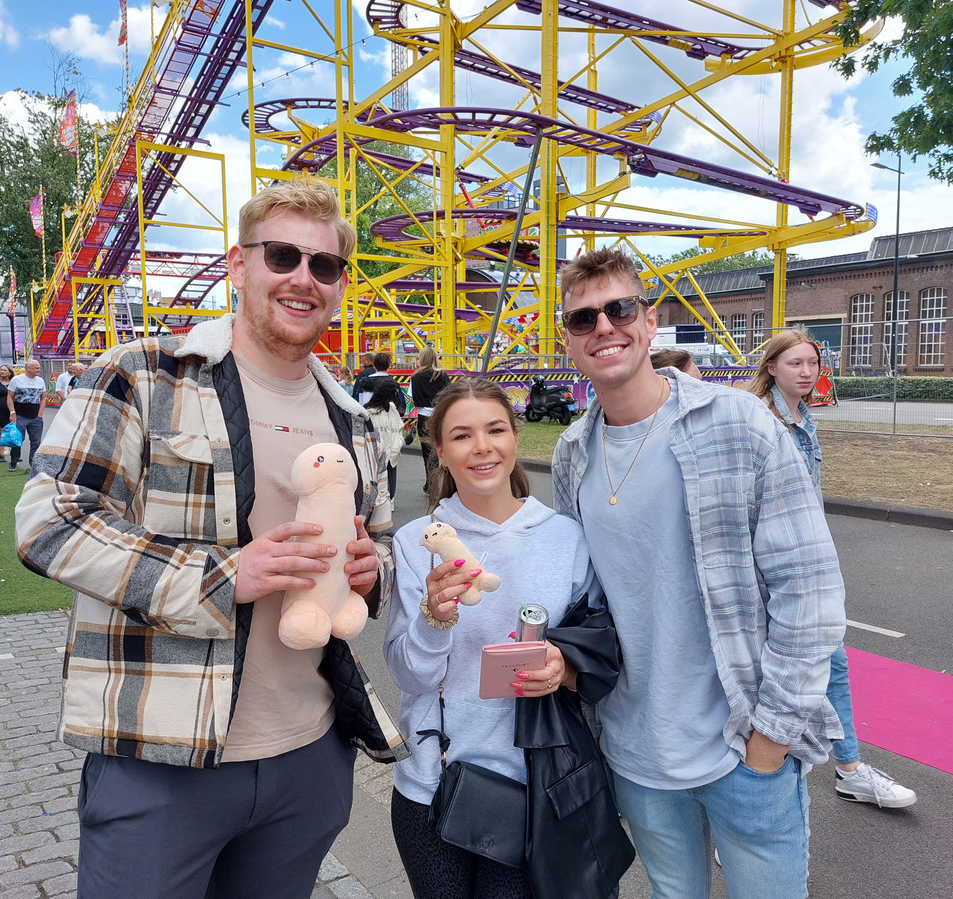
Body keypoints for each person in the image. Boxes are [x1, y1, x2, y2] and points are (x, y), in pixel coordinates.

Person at [15, 179, 405, 898]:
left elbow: (381, 540)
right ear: (237, 264)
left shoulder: (350, 415)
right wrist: (224, 575)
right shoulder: (142, 375)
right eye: (283, 255)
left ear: (340, 285)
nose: (303, 278)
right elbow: (49, 520)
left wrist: (366, 568)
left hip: (308, 755)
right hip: (163, 759)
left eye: (324, 266)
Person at [551, 247, 845, 898]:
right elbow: (578, 594)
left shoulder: (738, 424)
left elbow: (811, 590)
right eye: (582, 318)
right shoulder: (573, 452)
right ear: (568, 340)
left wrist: (770, 740)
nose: (603, 326)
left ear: (649, 322)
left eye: (619, 308)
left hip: (742, 746)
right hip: (637, 751)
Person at [385, 377, 632, 899]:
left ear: (515, 438)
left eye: (495, 429)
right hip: (434, 782)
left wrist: (562, 666)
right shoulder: (416, 543)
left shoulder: (566, 538)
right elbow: (410, 675)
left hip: (536, 785)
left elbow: (598, 646)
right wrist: (435, 618)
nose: (482, 447)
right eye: (461, 436)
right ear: (439, 453)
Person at [747, 330, 917, 809]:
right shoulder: (760, 419)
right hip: (769, 570)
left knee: (831, 662)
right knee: (774, 677)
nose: (807, 372)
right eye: (795, 363)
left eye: (812, 363)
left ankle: (847, 768)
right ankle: (754, 803)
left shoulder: (804, 418)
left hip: (806, 564)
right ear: (772, 366)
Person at [411, 345, 452, 493]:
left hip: (424, 417)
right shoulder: (442, 375)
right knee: (443, 450)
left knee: (427, 453)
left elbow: (414, 400)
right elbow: (450, 394)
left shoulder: (416, 377)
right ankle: (446, 483)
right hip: (440, 416)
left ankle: (431, 483)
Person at [365, 378, 405, 506]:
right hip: (377, 452)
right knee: (377, 480)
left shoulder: (393, 409)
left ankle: (390, 500)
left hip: (392, 451)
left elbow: (398, 428)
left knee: (391, 480)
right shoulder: (370, 412)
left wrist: (399, 443)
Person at [6, 358, 47, 472]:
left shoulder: (40, 381)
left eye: (39, 367)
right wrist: (12, 412)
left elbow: (43, 397)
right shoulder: (17, 380)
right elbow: (10, 397)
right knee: (17, 439)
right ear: (28, 368)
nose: (39, 370)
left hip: (35, 416)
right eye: (36, 368)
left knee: (36, 441)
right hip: (20, 415)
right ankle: (14, 461)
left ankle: (33, 464)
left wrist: (40, 413)